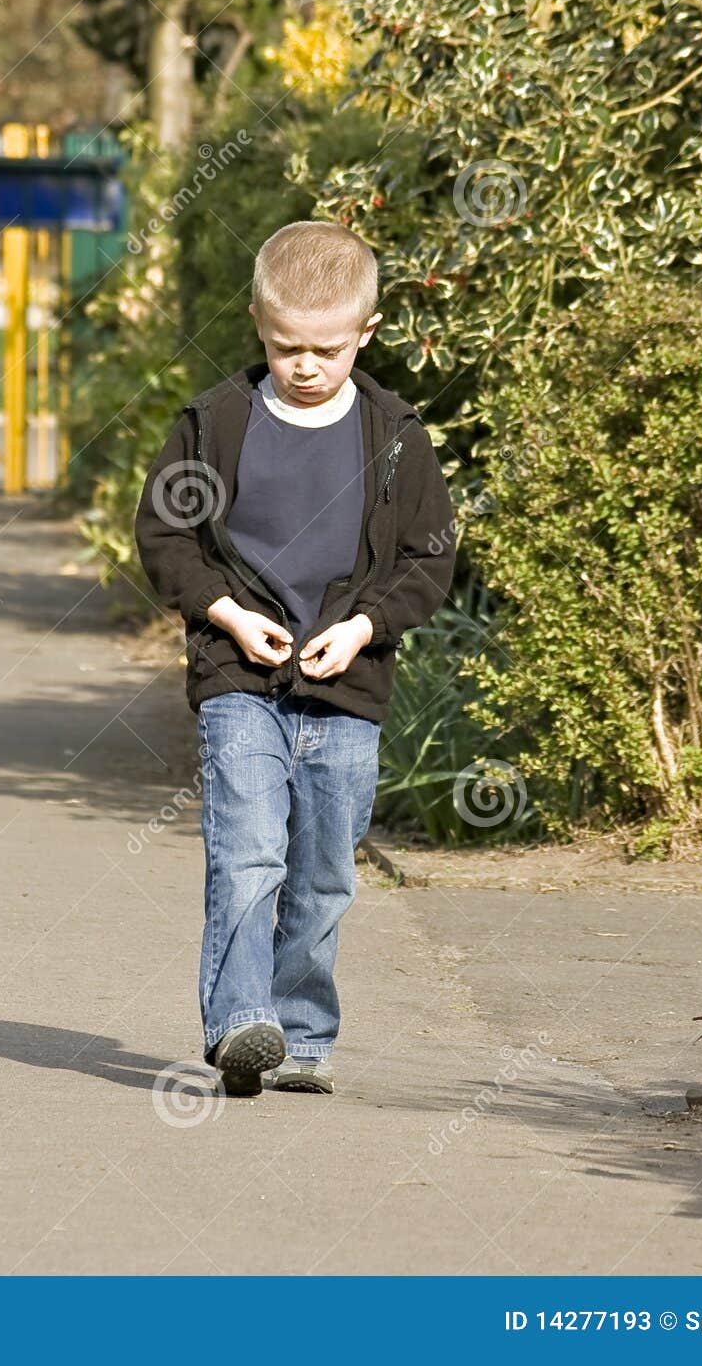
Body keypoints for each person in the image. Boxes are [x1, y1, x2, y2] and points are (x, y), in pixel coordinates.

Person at [133, 221, 456, 1096]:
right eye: (284, 347)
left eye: (325, 349)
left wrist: (362, 628)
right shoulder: (214, 423)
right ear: (256, 324)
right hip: (240, 677)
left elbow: (431, 558)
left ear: (368, 332)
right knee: (245, 851)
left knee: (322, 867)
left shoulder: (397, 437)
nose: (304, 366)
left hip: (347, 683)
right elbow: (164, 534)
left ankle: (303, 1031)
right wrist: (228, 613)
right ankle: (242, 1021)